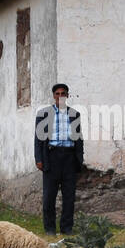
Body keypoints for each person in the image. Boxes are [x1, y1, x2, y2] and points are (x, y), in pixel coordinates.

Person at [34, 82, 83, 236]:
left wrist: (79, 159)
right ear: (53, 96)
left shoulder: (74, 114)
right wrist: (39, 158)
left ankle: (66, 228)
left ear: (67, 96)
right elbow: (38, 139)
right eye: (57, 94)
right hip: (51, 156)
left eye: (63, 94)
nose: (60, 96)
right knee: (49, 196)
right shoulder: (44, 114)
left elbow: (79, 139)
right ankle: (49, 229)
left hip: (69, 157)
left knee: (69, 196)